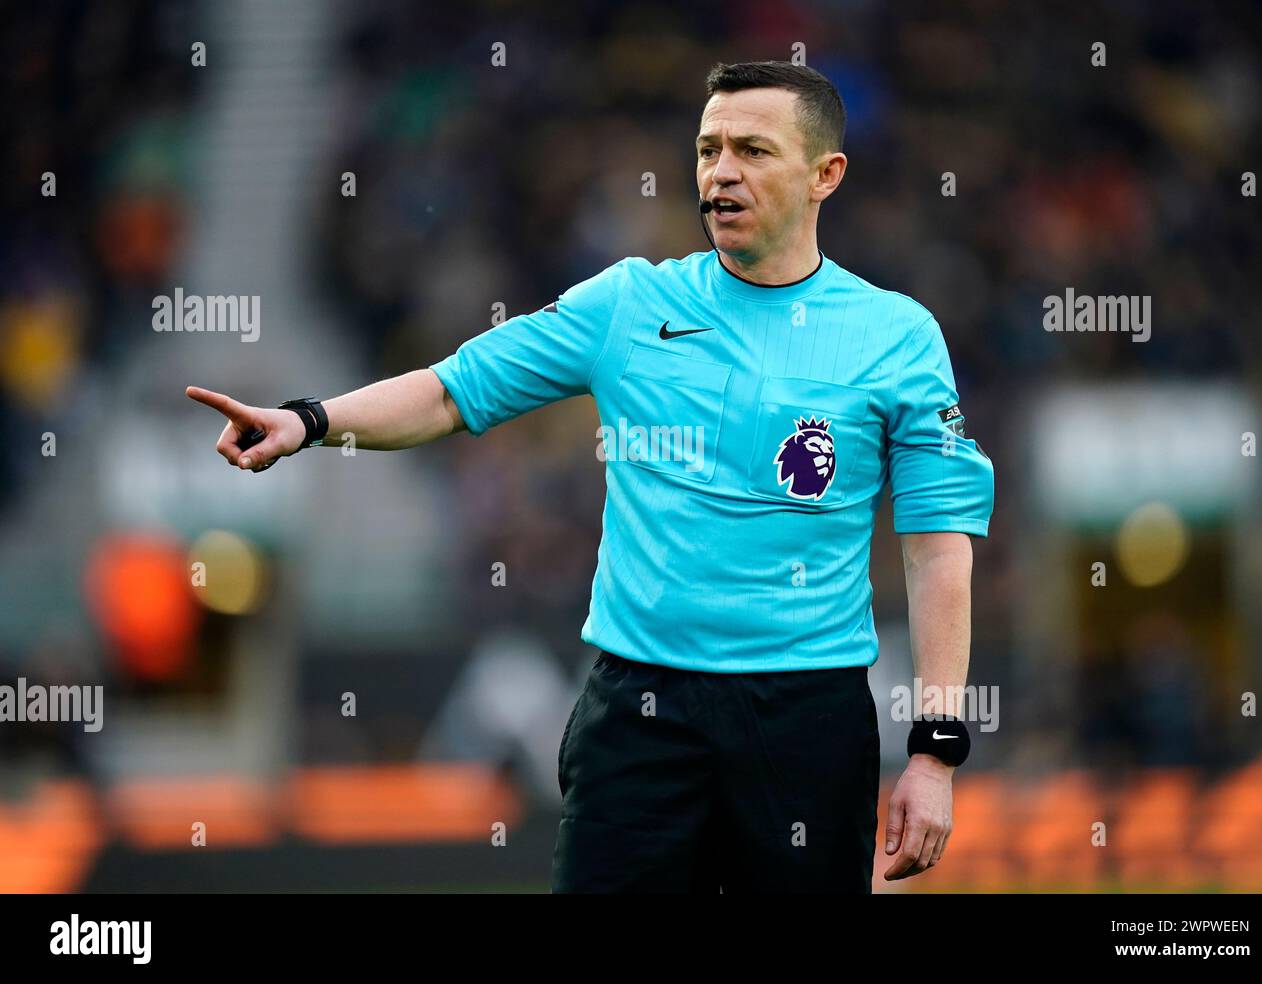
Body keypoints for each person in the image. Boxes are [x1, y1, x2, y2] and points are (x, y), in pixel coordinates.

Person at [188, 60, 994, 893]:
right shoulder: (629, 306)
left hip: (806, 722)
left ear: (826, 174)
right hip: (641, 716)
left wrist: (935, 751)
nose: (721, 171)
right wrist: (310, 420)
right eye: (708, 148)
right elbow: (451, 390)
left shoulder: (895, 337)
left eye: (753, 150)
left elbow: (939, 550)